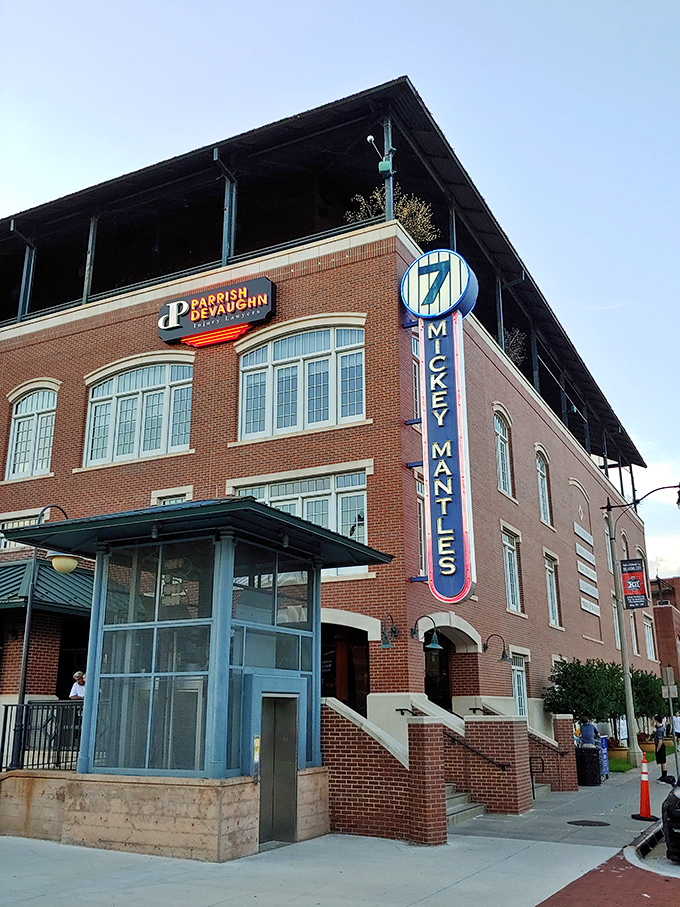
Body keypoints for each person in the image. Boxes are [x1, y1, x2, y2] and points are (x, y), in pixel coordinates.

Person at [653, 714, 670, 783]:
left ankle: (664, 777)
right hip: (661, 746)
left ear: (656, 721)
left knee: (663, 762)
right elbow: (652, 724)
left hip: (660, 746)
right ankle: (663, 776)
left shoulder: (659, 730)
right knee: (661, 761)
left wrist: (657, 749)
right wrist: (653, 718)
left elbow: (660, 741)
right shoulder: (661, 727)